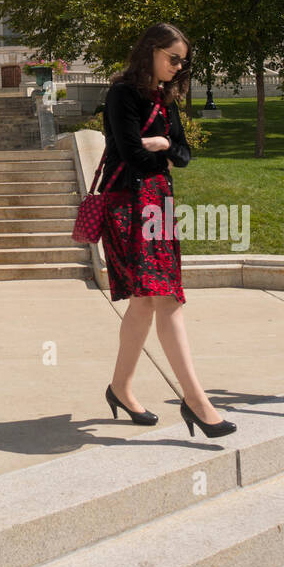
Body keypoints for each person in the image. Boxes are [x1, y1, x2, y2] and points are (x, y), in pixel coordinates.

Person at [98, 22, 237, 440]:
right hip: (127, 207)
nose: (179, 67)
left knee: (145, 302)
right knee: (166, 298)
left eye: (183, 61)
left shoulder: (166, 97)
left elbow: (184, 153)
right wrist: (160, 150)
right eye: (173, 58)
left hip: (159, 204)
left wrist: (161, 146)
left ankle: (120, 388)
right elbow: (132, 155)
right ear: (150, 52)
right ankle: (195, 400)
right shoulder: (122, 94)